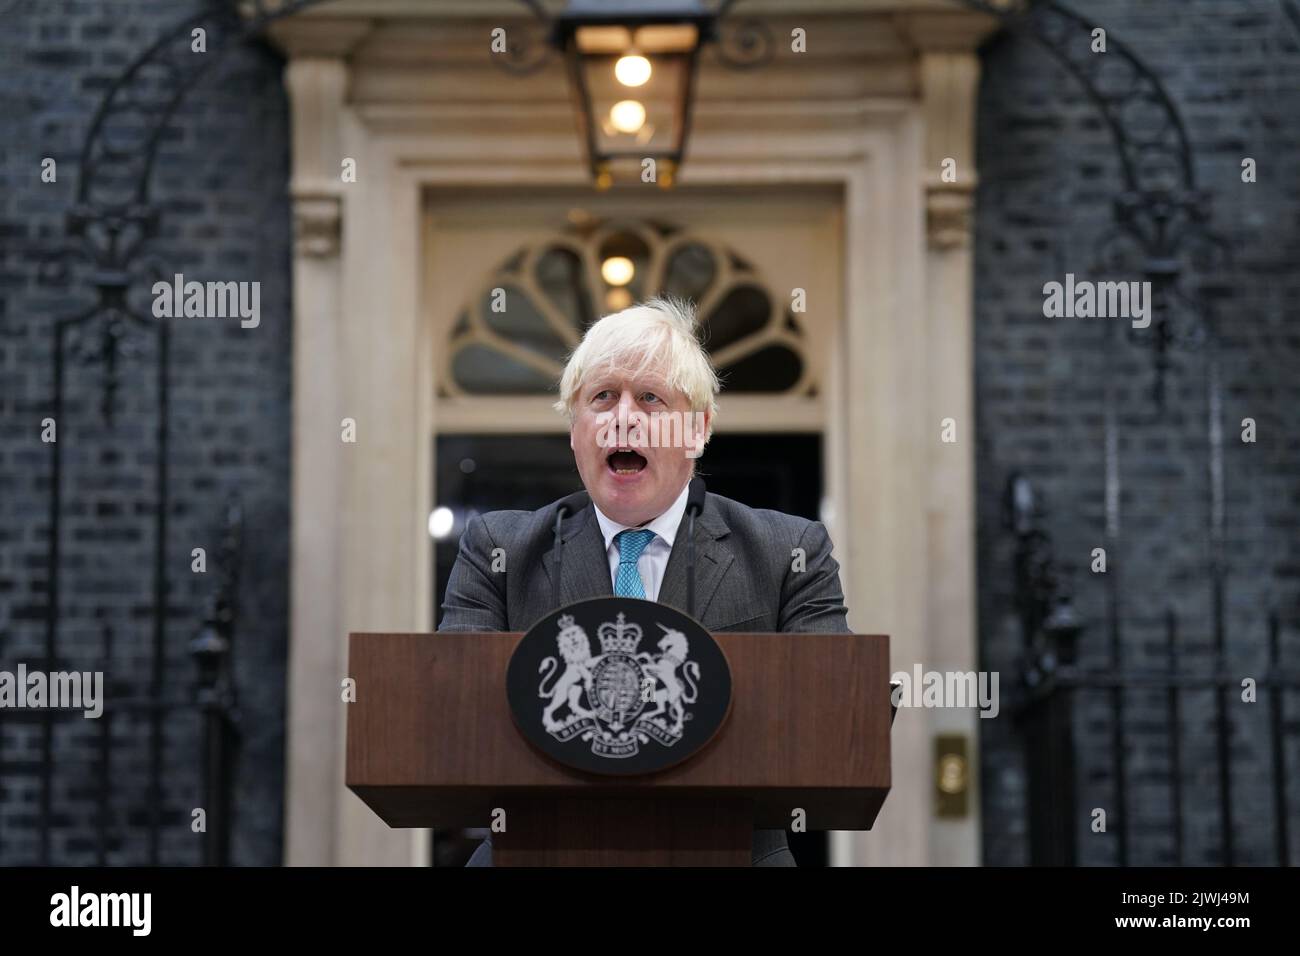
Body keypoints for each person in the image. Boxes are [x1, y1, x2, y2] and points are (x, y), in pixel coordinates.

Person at [439, 295, 851, 867]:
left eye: (651, 399)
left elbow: (838, 715)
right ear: (576, 431)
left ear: (698, 430)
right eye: (602, 398)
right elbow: (450, 716)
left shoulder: (790, 554)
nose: (623, 417)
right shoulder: (497, 552)